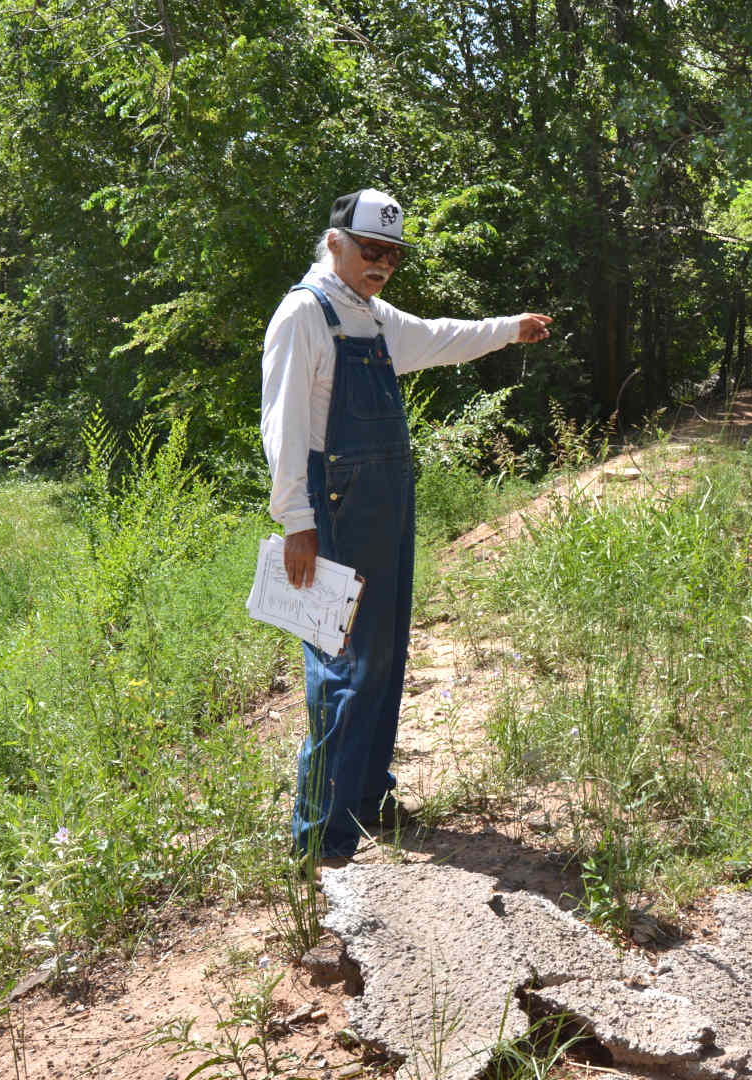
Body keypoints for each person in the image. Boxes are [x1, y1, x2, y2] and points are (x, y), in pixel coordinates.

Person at [260, 187, 551, 861]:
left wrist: (509, 328)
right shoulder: (305, 315)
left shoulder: (371, 316)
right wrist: (297, 521)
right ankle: (321, 835)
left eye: (393, 254)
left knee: (384, 656)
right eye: (371, 250)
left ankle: (366, 802)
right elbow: (283, 427)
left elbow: (442, 336)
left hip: (386, 503)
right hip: (333, 510)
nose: (383, 264)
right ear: (335, 243)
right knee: (342, 661)